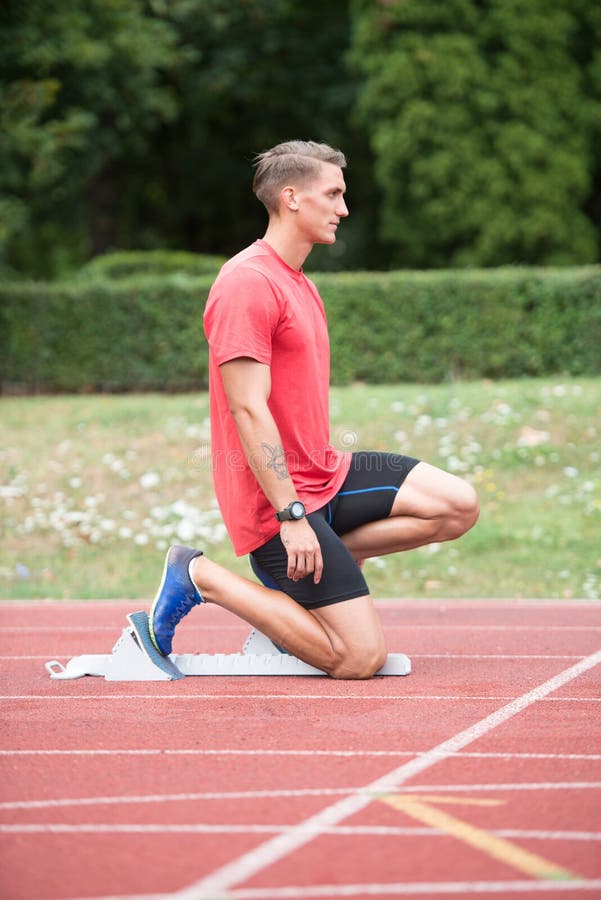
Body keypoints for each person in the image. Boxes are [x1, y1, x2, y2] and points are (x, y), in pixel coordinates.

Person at [148, 140, 479, 679]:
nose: (343, 209)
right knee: (358, 659)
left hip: (326, 473)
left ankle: (305, 590)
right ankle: (200, 575)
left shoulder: (298, 281)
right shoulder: (246, 283)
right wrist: (291, 516)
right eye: (334, 194)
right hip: (277, 505)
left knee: (456, 506)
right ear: (292, 197)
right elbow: (248, 411)